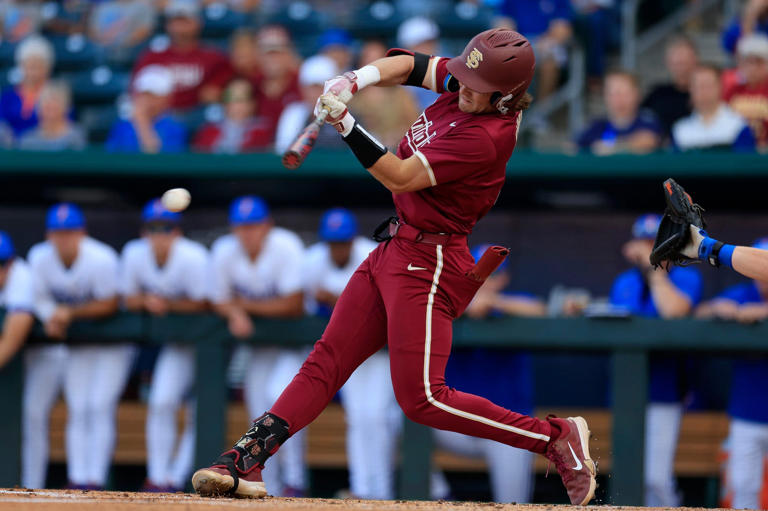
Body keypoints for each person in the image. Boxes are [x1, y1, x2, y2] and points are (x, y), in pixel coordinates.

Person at [192, 28, 597, 506]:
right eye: (465, 78)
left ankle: (554, 437)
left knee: (423, 398)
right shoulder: (472, 86)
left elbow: (400, 177)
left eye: (477, 86)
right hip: (396, 245)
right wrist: (354, 80)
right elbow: (410, 66)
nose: (462, 88)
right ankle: (245, 460)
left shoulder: (487, 136)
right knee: (326, 359)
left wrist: (346, 124)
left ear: (504, 96)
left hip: (432, 261)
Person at [208, 196, 308, 497]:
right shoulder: (224, 250)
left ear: (267, 226)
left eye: (253, 226)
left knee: (282, 401)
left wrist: (243, 305)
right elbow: (218, 300)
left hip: (293, 343)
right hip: (259, 349)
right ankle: (268, 482)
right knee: (259, 412)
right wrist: (234, 312)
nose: (247, 233)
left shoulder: (286, 246)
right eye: (241, 226)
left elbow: (293, 304)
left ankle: (295, 480)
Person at [27, 203, 127, 490]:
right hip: (80, 344)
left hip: (113, 343)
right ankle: (78, 478)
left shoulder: (101, 257)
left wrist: (68, 313)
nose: (64, 238)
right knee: (78, 406)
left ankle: (96, 479)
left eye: (69, 232)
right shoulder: (39, 256)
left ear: (81, 233)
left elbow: (110, 303)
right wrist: (51, 316)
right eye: (58, 232)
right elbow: (39, 298)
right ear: (49, 235)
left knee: (99, 405)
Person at [435, 244, 545, 503]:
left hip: (505, 428)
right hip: (455, 426)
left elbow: (540, 310)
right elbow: (422, 308)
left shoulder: (515, 303)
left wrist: (493, 302)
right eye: (478, 273)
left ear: (504, 278)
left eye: (492, 274)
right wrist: (465, 303)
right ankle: (439, 495)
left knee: (513, 504)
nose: (484, 280)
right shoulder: (446, 301)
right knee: (398, 419)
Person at [302, 208, 397, 499]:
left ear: (352, 239)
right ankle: (362, 489)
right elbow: (304, 310)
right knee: (357, 417)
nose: (337, 248)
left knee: (377, 417)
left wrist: (335, 299)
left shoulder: (372, 254)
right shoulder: (313, 260)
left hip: (380, 350)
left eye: (342, 242)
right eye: (332, 242)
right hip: (348, 350)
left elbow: (382, 306)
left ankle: (381, 493)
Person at [609, 214, 702, 507]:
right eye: (645, 242)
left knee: (657, 478)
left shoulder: (686, 277)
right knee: (628, 475)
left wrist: (655, 271)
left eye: (656, 242)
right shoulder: (625, 281)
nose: (650, 248)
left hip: (666, 389)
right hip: (627, 391)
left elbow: (673, 312)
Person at [121, 199, 209, 492]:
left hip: (208, 343)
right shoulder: (134, 253)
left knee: (201, 409)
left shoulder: (193, 256)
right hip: (178, 344)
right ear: (144, 232)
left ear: (177, 232)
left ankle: (177, 475)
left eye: (166, 228)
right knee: (161, 401)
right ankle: (159, 478)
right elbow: (127, 298)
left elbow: (205, 302)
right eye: (153, 228)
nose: (159, 235)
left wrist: (168, 304)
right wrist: (147, 300)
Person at [695, 238, 768, 510]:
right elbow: (699, 312)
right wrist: (721, 309)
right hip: (748, 410)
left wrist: (761, 312)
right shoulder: (743, 293)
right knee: (743, 486)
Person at [132, 0, 233, 109]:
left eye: (185, 21)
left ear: (197, 23)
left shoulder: (213, 56)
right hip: (162, 114)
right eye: (175, 22)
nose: (180, 28)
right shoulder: (153, 57)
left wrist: (217, 87)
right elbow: (136, 90)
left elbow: (227, 79)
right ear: (168, 25)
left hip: (199, 112)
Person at [495, 0, 573, 99]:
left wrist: (547, 41)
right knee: (503, 58)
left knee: (549, 59)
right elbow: (504, 25)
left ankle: (543, 105)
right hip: (519, 44)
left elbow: (562, 28)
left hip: (547, 44)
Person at [351, 40, 421, 150]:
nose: (373, 66)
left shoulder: (401, 94)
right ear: (361, 63)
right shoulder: (352, 97)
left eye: (377, 61)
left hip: (396, 152)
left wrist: (397, 136)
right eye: (368, 60)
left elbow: (416, 126)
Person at [671, 64, 755, 152]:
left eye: (708, 85)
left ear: (720, 87)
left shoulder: (738, 126)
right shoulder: (680, 130)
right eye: (699, 86)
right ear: (690, 90)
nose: (703, 91)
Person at [575, 70, 662, 155]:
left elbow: (649, 140)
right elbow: (574, 147)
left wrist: (616, 147)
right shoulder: (598, 125)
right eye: (613, 93)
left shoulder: (647, 121)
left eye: (625, 94)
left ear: (637, 95)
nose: (619, 99)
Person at [106, 65, 187, 153]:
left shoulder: (174, 128)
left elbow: (157, 157)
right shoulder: (121, 126)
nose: (148, 100)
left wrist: (142, 121)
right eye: (144, 94)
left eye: (154, 95)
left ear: (166, 97)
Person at [274, 55, 345, 155]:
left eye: (321, 87)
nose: (316, 93)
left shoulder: (348, 116)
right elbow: (283, 153)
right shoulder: (293, 114)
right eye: (311, 87)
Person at [641, 36, 699, 140]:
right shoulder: (657, 95)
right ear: (668, 62)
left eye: (684, 62)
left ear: (695, 60)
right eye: (677, 63)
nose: (681, 68)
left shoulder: (706, 94)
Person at [193, 79, 273, 153]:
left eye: (243, 98)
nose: (236, 103)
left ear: (253, 103)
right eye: (231, 97)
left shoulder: (263, 130)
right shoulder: (208, 131)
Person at [250, 25, 301, 137]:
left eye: (278, 54)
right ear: (258, 56)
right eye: (267, 54)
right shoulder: (251, 86)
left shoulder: (301, 84)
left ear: (289, 54)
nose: (272, 60)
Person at [0, 35, 55, 139]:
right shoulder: (8, 97)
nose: (34, 72)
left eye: (38, 66)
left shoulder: (56, 97)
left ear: (47, 68)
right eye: (30, 66)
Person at [723, 34, 768, 150]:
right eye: (748, 62)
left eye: (758, 62)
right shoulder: (732, 92)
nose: (753, 68)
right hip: (737, 150)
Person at [0, 231, 35, 368]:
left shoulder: (22, 277)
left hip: (40, 354)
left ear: (10, 263)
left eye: (1, 263)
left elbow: (11, 342)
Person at [18, 82, 86, 151]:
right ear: (38, 108)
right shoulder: (28, 141)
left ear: (67, 107)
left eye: (56, 102)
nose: (51, 106)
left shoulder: (76, 137)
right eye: (46, 103)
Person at [396, 17, 440, 111]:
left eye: (429, 43)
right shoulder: (399, 76)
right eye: (420, 45)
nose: (426, 48)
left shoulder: (451, 66)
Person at [88, 0, 157, 52]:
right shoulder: (102, 7)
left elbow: (143, 31)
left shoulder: (143, 8)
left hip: (128, 53)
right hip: (100, 52)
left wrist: (121, 45)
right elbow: (93, 32)